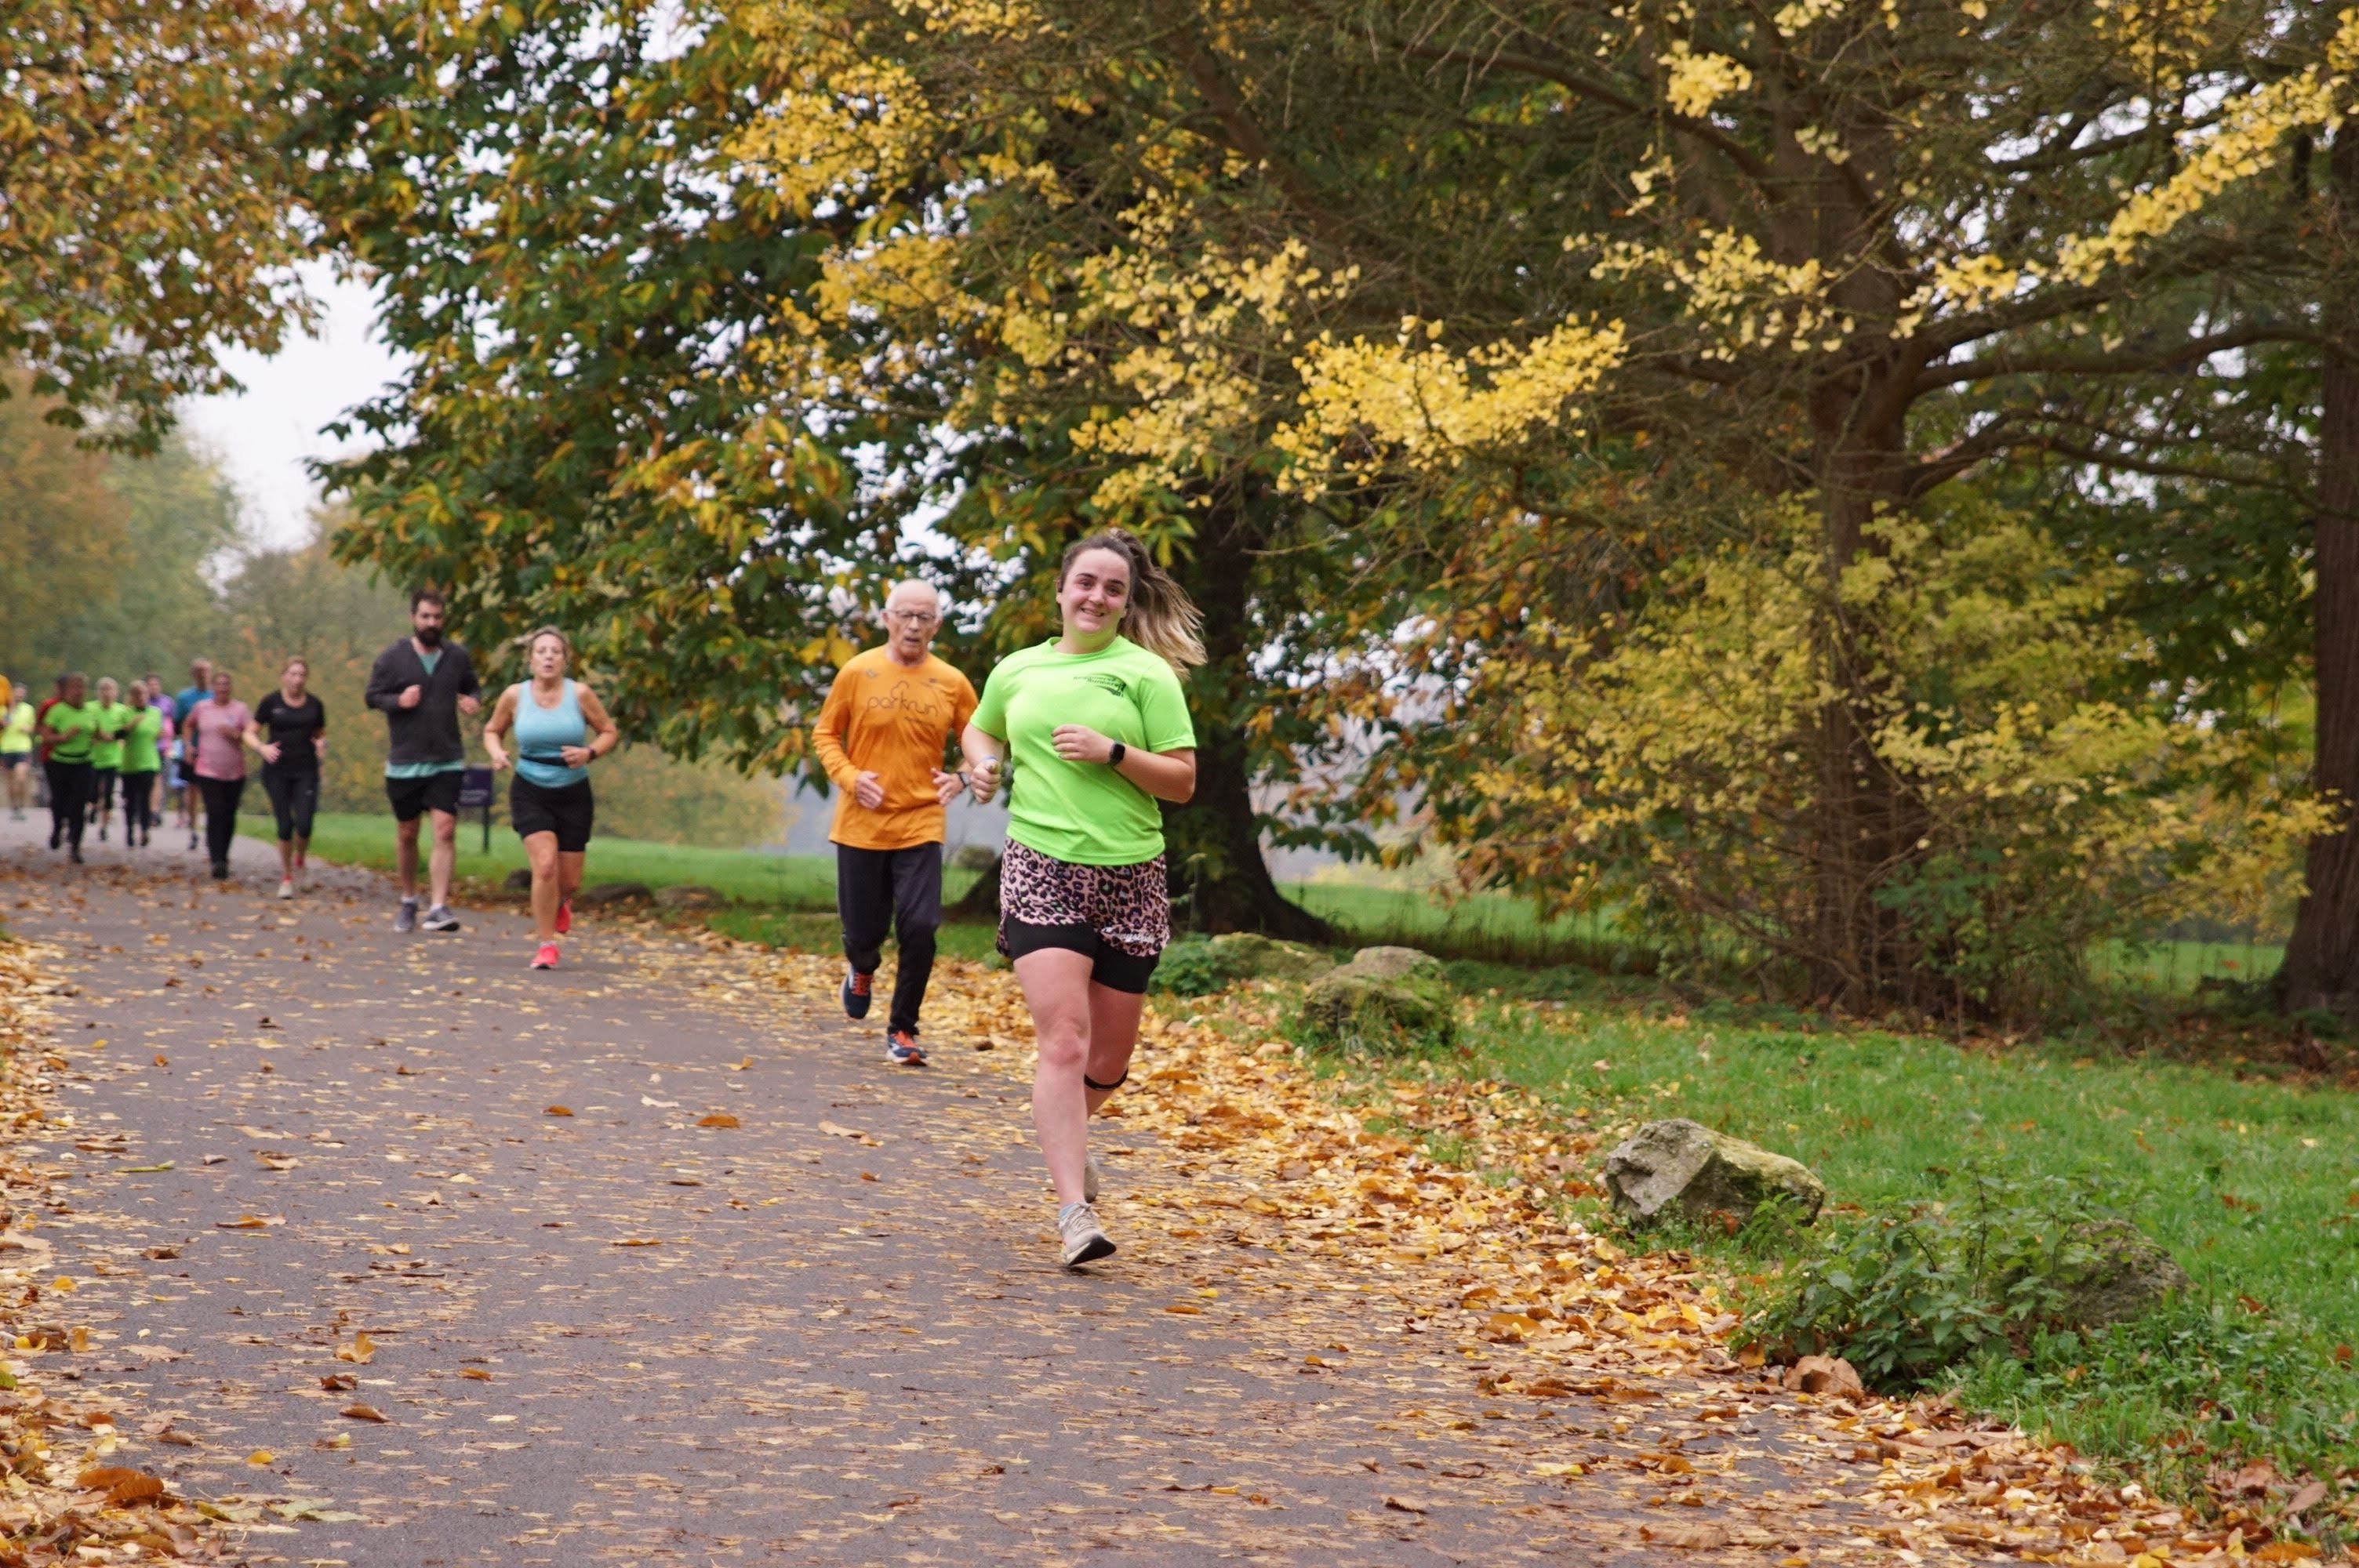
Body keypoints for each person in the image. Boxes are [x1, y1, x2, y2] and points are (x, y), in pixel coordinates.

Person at [961, 528, 1201, 1269]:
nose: (1097, 597)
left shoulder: (1147, 676)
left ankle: (1067, 1130)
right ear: (1062, 590)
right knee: (1062, 1040)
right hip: (1042, 865)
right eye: (1086, 583)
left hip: (1132, 874)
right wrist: (982, 765)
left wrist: (1114, 753)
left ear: (1127, 603)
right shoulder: (1017, 668)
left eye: (1114, 589)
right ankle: (1074, 1215)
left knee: (1109, 1061)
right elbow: (979, 729)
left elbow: (1184, 782)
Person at [812, 580, 978, 1067]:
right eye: (904, 615)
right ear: (886, 619)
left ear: (937, 626)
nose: (913, 625)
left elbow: (981, 742)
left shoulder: (952, 681)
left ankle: (903, 1028)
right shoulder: (857, 671)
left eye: (924, 617)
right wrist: (848, 776)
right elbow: (825, 734)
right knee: (864, 932)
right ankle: (861, 968)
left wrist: (963, 778)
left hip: (921, 821)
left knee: (921, 927)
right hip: (861, 822)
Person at [481, 628, 618, 969]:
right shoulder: (514, 696)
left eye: (555, 652)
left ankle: (563, 901)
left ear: (565, 660)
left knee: (569, 881)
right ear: (530, 659)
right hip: (529, 788)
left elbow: (609, 731)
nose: (548, 657)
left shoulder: (580, 694)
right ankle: (546, 946)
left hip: (573, 791)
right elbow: (492, 730)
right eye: (541, 651)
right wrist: (497, 753)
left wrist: (589, 753)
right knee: (544, 867)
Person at [365, 590, 480, 933]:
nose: (432, 623)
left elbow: (473, 687)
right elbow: (372, 696)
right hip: (406, 760)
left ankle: (439, 907)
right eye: (426, 617)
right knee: (408, 833)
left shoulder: (457, 656)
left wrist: (472, 700)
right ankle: (409, 898)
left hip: (447, 758)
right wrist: (399, 700)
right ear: (413, 617)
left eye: (438, 617)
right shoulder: (392, 658)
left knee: (445, 830)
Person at [249, 657, 327, 899]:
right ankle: (287, 877)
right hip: (277, 770)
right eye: (292, 674)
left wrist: (322, 746)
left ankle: (300, 861)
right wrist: (262, 748)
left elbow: (320, 735)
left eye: (302, 675)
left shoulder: (315, 705)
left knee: (304, 823)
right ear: (284, 676)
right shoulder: (270, 702)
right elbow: (249, 732)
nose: (297, 679)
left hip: (306, 770)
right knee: (285, 826)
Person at [187, 668, 252, 880]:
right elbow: (188, 725)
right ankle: (216, 860)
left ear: (231, 688)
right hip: (207, 769)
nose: (223, 688)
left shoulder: (240, 709)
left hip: (235, 771)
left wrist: (235, 734)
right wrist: (188, 746)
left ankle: (224, 855)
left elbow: (250, 737)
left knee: (228, 814)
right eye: (219, 684)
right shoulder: (202, 708)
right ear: (213, 688)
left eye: (226, 684)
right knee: (215, 812)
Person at [36, 674, 99, 863]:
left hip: (84, 762)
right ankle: (57, 828)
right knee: (60, 799)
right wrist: (63, 737)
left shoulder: (90, 711)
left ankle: (75, 845)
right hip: (59, 761)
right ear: (66, 690)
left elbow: (98, 732)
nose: (78, 691)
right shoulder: (55, 709)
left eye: (82, 687)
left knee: (79, 803)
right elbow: (43, 734)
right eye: (75, 687)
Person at [172, 659, 213, 850]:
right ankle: (193, 830)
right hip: (192, 750)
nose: (203, 675)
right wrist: (186, 745)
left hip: (213, 751)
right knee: (193, 790)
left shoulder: (216, 695)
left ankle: (210, 827)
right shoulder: (184, 698)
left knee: (211, 791)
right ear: (193, 674)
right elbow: (178, 724)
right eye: (199, 671)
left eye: (206, 671)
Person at [117, 683, 163, 847]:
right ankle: (129, 829)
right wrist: (130, 726)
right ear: (132, 696)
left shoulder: (156, 713)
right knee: (130, 799)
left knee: (145, 798)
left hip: (149, 762)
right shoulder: (125, 713)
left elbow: (158, 734)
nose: (141, 697)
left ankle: (144, 830)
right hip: (129, 763)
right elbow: (118, 735)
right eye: (137, 694)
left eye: (143, 693)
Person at [88, 677, 130, 843]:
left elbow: (127, 731)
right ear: (98, 692)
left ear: (116, 693)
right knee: (92, 793)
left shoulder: (122, 711)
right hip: (93, 758)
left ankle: (103, 827)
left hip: (113, 759)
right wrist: (97, 735)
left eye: (110, 689)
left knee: (108, 793)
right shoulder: (90, 708)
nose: (107, 693)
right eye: (103, 689)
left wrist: (118, 738)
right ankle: (92, 806)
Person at [0, 682, 33, 820]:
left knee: (21, 777)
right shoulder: (3, 709)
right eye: (17, 692)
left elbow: (34, 727)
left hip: (23, 747)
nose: (19, 695)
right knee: (10, 781)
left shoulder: (29, 709)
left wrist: (28, 729)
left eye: (22, 692)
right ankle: (15, 807)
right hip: (6, 747)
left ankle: (20, 805)